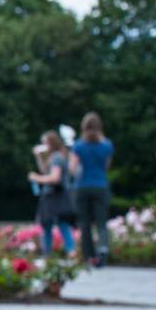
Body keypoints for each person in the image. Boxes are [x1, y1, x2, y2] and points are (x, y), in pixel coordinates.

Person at [71, 112, 115, 266]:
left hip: (82, 186)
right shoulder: (107, 145)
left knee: (84, 223)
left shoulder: (79, 146)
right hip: (100, 185)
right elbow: (106, 166)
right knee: (101, 222)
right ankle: (102, 251)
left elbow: (72, 168)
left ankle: (88, 255)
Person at [28, 130, 76, 256]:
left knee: (58, 224)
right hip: (55, 196)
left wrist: (36, 178)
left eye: (44, 143)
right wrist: (38, 156)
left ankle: (62, 252)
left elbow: (55, 178)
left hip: (55, 197)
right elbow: (45, 170)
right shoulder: (55, 157)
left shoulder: (56, 158)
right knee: (52, 225)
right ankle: (63, 252)